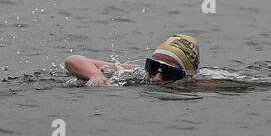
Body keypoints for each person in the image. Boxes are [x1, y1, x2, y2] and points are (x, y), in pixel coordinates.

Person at [65, 33, 200, 87]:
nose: (157, 78)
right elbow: (73, 60)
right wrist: (97, 75)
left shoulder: (196, 85)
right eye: (153, 67)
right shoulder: (134, 72)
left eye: (169, 72)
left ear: (187, 75)